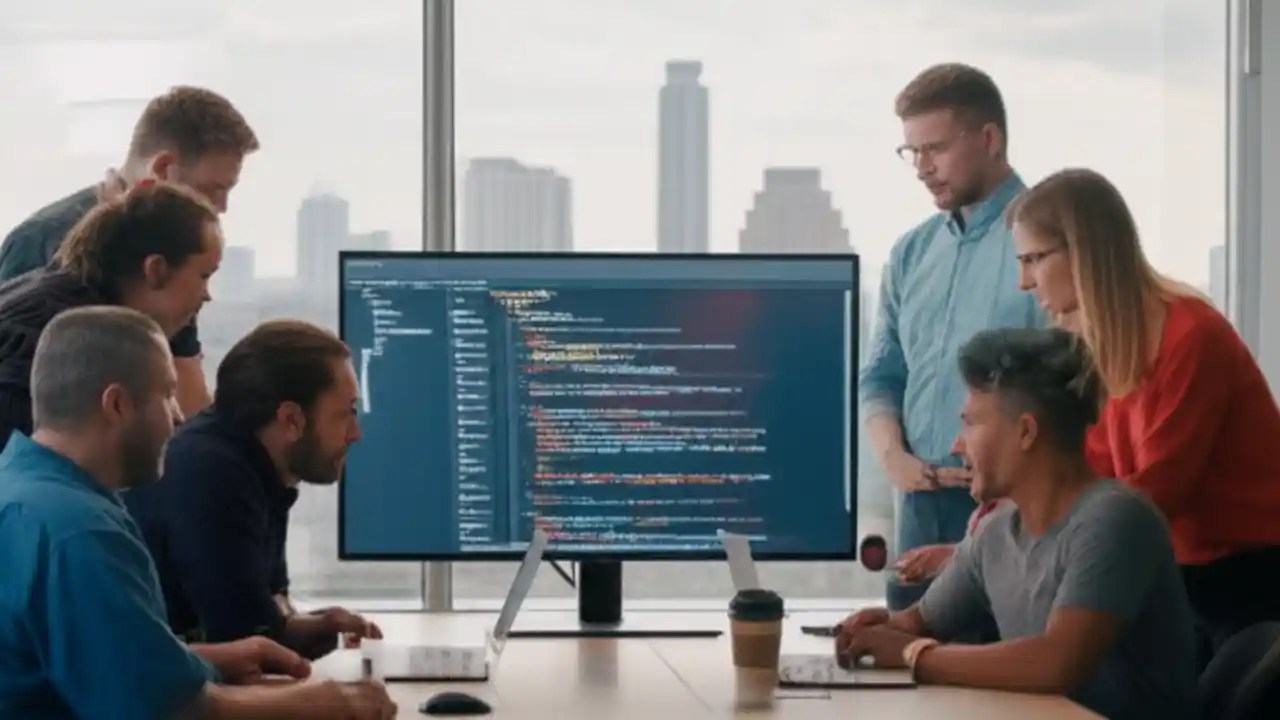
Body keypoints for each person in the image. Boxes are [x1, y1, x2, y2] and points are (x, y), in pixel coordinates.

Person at [0, 306, 396, 718]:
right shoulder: (81, 534)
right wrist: (325, 703)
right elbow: (173, 712)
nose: (178, 416)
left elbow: (103, 658)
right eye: (167, 394)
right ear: (116, 405)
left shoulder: (25, 493)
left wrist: (208, 660)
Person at [837, 327, 1198, 720]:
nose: (957, 445)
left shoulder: (1116, 519)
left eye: (970, 423)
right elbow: (919, 623)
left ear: (1026, 431)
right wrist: (882, 628)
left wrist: (914, 655)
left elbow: (1057, 663)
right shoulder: (994, 533)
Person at [1011, 167, 1280, 664]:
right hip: (1182, 574)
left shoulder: (1192, 336)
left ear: (1084, 252)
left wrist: (1036, 535)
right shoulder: (1105, 346)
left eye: (1034, 259)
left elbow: (1153, 495)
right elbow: (1088, 471)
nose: (1024, 281)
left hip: (1246, 583)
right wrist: (1002, 527)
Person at [860, 62, 1044, 605]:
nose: (922, 168)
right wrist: (892, 456)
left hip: (1012, 510)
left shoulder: (1045, 242)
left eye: (935, 148)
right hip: (917, 505)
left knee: (1000, 654)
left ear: (989, 139)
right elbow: (881, 375)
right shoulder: (911, 252)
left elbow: (1074, 386)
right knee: (906, 649)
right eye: (912, 152)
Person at [125, 319, 381, 660]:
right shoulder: (212, 473)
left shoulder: (254, 468)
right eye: (346, 413)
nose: (355, 433)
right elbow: (245, 645)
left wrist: (320, 625)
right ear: (291, 420)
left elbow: (260, 622)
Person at [0, 85, 259, 417]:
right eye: (214, 189)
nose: (221, 207)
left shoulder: (174, 250)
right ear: (163, 169)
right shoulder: (39, 243)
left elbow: (186, 392)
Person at [0, 182, 222, 453]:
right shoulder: (56, 346)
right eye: (203, 275)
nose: (207, 295)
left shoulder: (50, 304)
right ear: (156, 270)